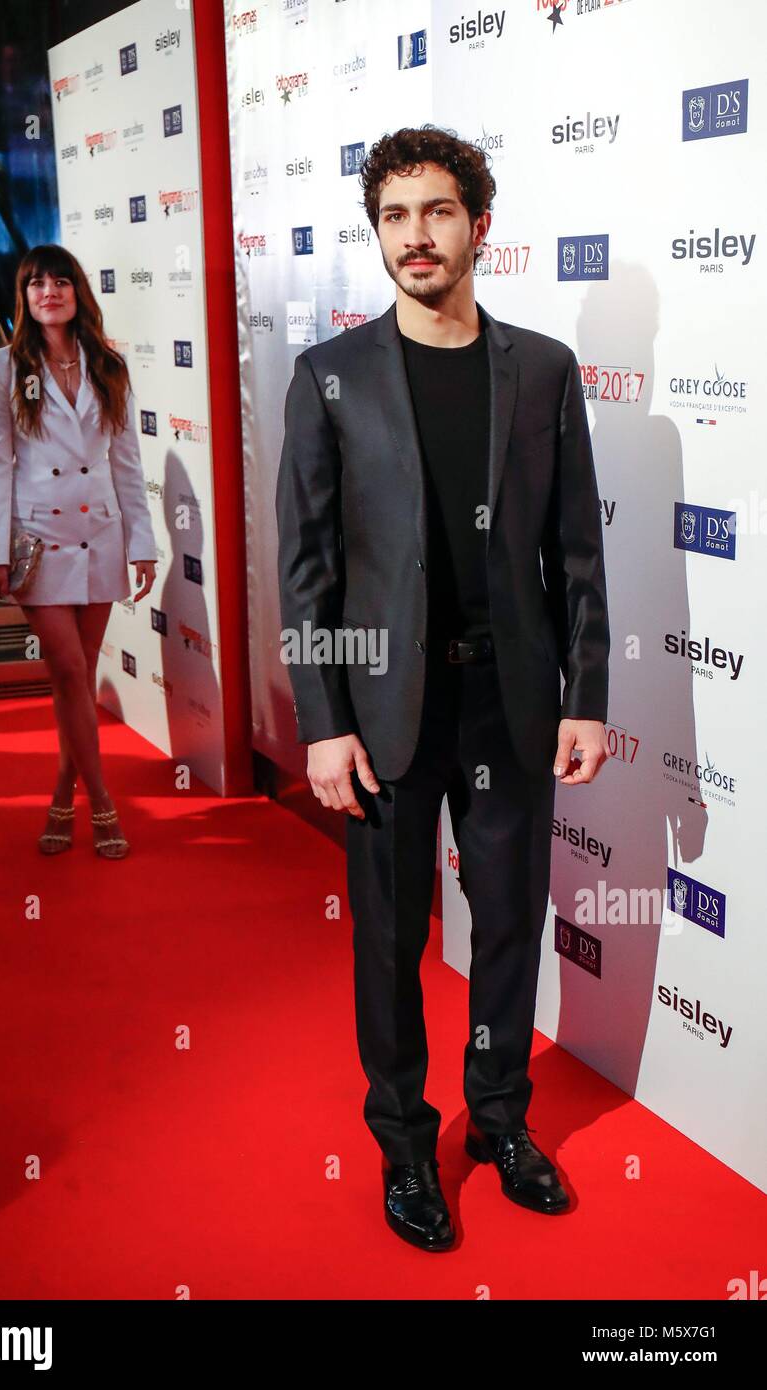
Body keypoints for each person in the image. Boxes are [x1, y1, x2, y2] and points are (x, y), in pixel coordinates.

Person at [276, 126, 611, 1251]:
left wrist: (586, 693)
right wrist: (320, 723)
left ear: (477, 224)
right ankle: (404, 1138)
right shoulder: (328, 376)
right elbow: (308, 567)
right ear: (376, 233)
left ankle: (501, 1120)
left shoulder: (544, 371)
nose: (414, 237)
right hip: (378, 711)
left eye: (435, 212)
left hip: (509, 701)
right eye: (393, 217)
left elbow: (575, 554)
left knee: (509, 921)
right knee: (385, 936)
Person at [0, 244, 158, 859]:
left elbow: (127, 462)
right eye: (35, 284)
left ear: (78, 292)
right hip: (37, 542)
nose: (48, 292)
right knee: (73, 671)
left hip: (100, 537)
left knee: (70, 679)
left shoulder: (109, 364)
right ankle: (101, 802)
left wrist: (142, 542)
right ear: (24, 298)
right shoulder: (3, 367)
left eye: (59, 281)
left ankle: (61, 791)